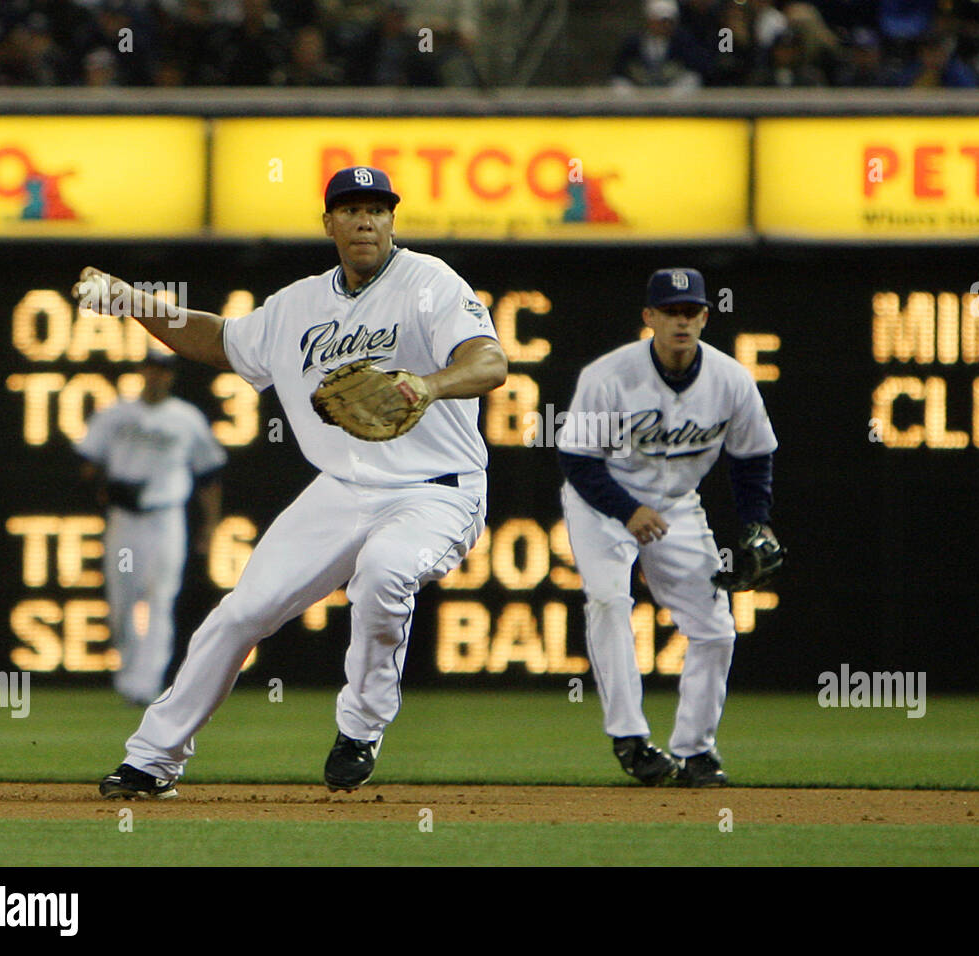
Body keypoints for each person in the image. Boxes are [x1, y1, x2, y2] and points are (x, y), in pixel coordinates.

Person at [81, 165, 507, 799]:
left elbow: (491, 361)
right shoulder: (298, 304)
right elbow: (219, 341)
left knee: (385, 573)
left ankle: (361, 727)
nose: (366, 220)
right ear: (328, 222)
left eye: (378, 209)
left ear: (392, 219)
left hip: (436, 490)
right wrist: (130, 301)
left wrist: (430, 384)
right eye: (351, 209)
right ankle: (151, 760)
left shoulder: (430, 282)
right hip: (342, 488)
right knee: (241, 613)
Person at [557, 269, 779, 788]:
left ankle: (697, 751)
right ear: (649, 318)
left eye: (691, 312)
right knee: (609, 601)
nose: (682, 321)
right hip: (602, 503)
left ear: (704, 316)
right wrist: (626, 510)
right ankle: (630, 739)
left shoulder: (731, 380)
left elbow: (753, 459)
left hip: (676, 506)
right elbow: (578, 461)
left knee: (716, 627)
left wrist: (756, 525)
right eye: (671, 312)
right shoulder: (607, 375)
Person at [76, 350, 225, 708]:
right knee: (122, 602)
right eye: (152, 368)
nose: (156, 375)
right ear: (142, 371)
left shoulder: (186, 419)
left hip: (166, 518)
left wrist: (210, 526)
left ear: (170, 376)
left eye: (163, 371)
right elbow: (86, 464)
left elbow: (209, 475)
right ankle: (129, 676)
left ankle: (146, 684)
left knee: (161, 599)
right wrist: (104, 486)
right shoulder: (115, 415)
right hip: (125, 521)